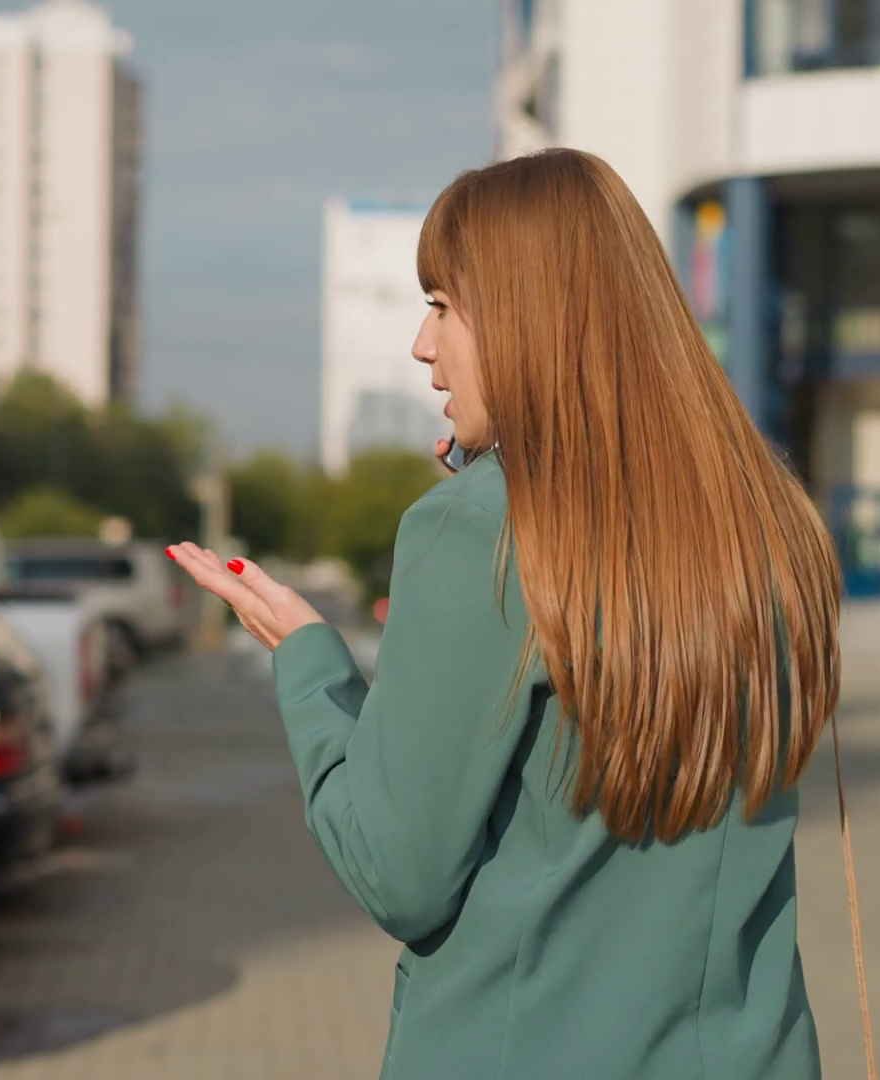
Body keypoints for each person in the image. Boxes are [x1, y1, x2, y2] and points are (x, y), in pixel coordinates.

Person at [168, 147, 841, 1080]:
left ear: (533, 319)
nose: (421, 344)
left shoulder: (482, 528)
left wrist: (309, 661)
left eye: (444, 306)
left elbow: (397, 872)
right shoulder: (770, 525)